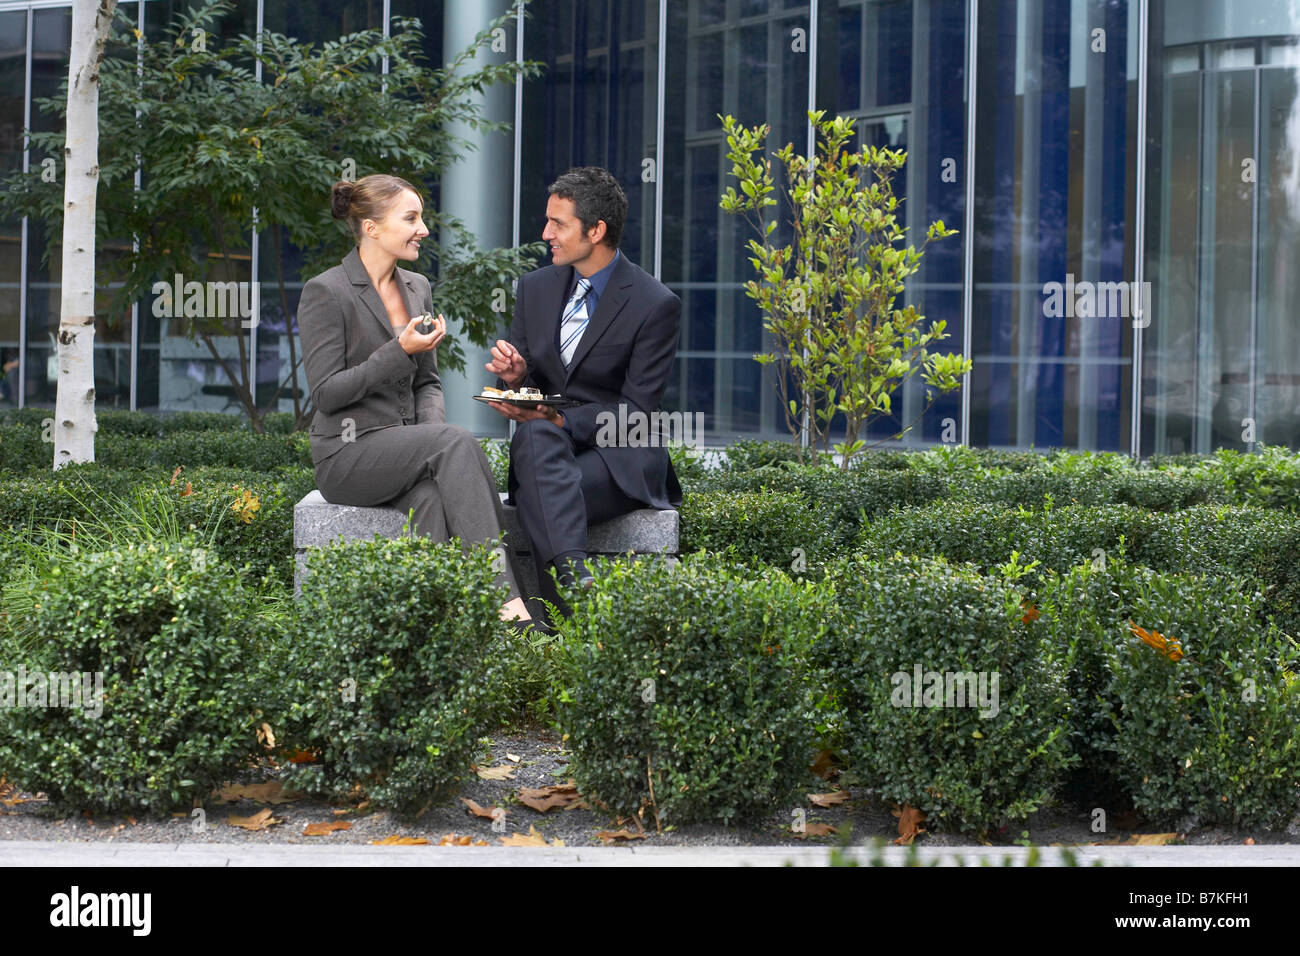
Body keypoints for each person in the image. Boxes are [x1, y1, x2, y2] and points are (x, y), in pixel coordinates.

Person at [298, 173, 532, 628]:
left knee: (431, 499)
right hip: (347, 454)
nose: (423, 229)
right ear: (372, 227)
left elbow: (428, 382)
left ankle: (444, 632)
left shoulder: (417, 287)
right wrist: (398, 350)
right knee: (456, 441)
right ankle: (508, 605)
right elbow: (326, 394)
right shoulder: (327, 291)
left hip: (406, 452)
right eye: (411, 218)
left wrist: (426, 433)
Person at [484, 166, 683, 621]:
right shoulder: (534, 288)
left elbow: (637, 411)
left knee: (542, 480)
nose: (545, 233)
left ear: (596, 230)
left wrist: (560, 420)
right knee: (535, 442)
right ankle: (576, 585)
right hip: (547, 447)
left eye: (558, 224)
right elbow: (529, 384)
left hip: (619, 456)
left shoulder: (655, 303)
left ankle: (557, 627)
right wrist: (515, 378)